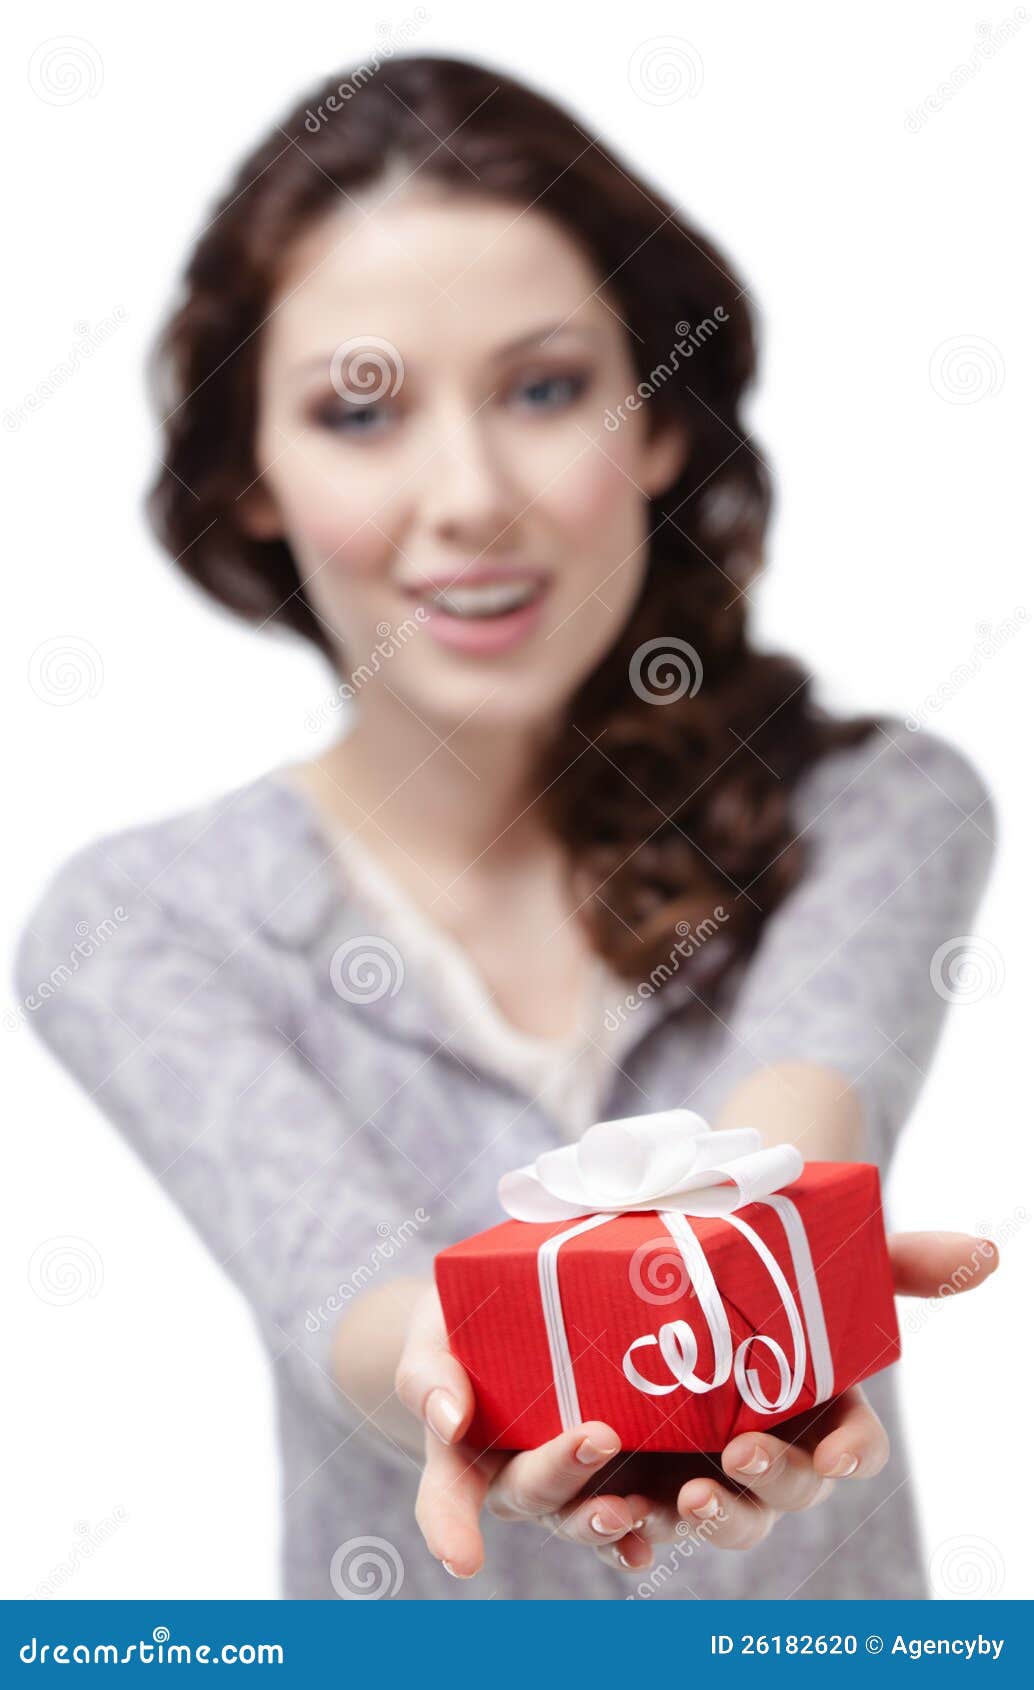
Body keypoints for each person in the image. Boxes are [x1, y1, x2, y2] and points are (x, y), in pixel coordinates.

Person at [15, 55, 998, 1601]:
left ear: (661, 427)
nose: (470, 495)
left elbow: (806, 1106)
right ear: (251, 475)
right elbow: (337, 1291)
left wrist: (780, 1265)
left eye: (545, 390)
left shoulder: (874, 808)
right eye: (359, 410)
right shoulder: (141, 920)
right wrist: (453, 1373)